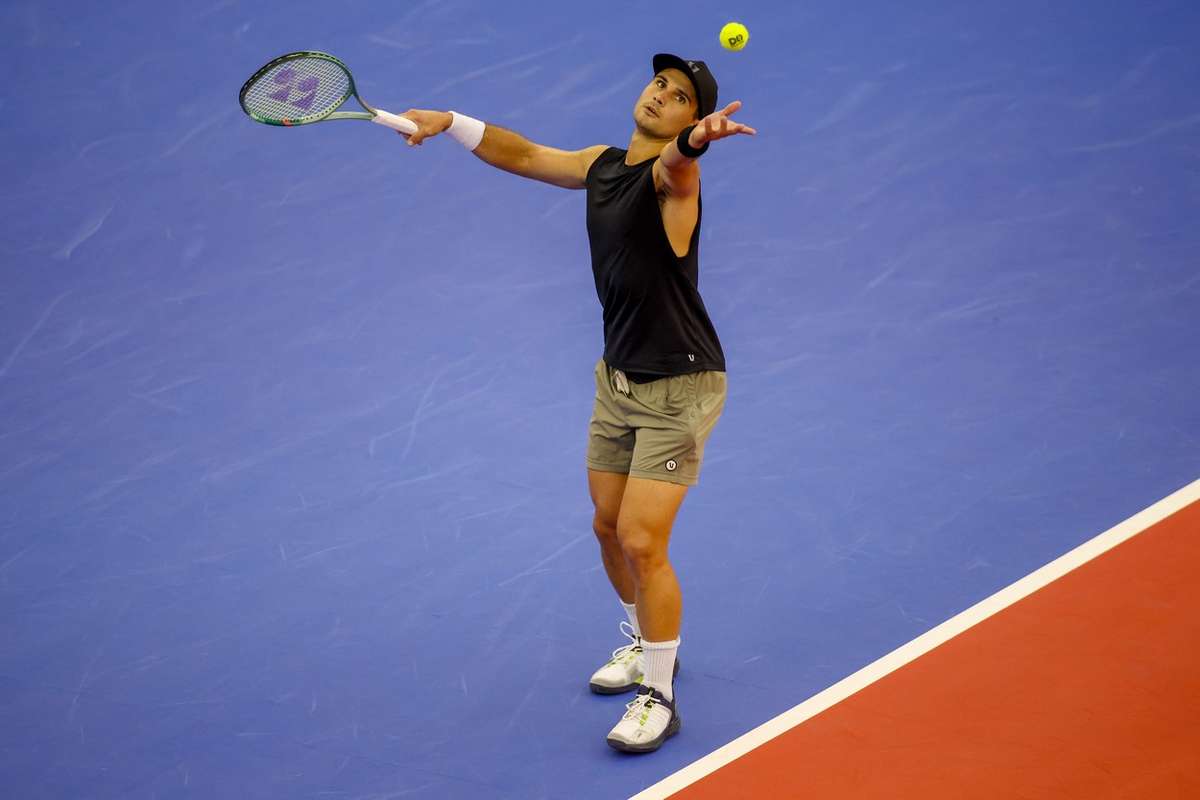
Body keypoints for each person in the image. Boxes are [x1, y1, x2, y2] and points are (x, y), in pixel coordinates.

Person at [397, 53, 755, 753]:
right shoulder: (602, 165)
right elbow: (527, 155)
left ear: (691, 119)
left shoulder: (676, 181)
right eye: (659, 83)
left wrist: (696, 144)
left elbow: (675, 167)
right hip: (617, 380)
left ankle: (660, 696)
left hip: (680, 389)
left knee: (642, 541)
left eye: (679, 97)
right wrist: (450, 123)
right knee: (605, 526)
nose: (660, 96)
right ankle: (652, 643)